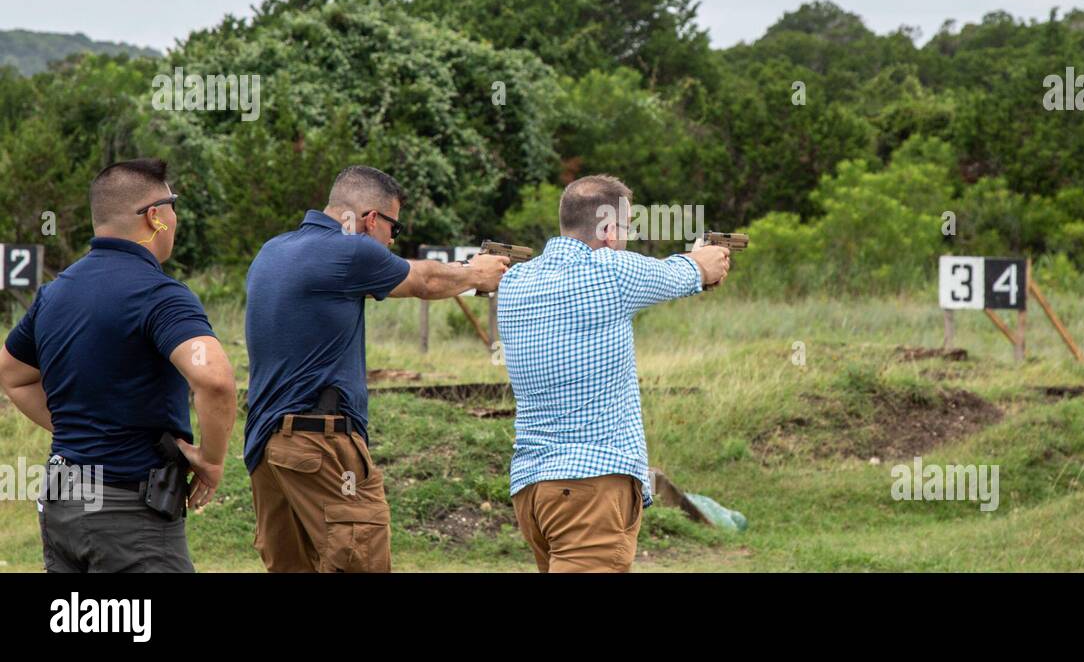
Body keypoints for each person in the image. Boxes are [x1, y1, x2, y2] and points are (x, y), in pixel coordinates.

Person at [243, 165, 509, 572]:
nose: (390, 240)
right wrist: (476, 274)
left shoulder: (272, 250)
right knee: (360, 558)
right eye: (393, 230)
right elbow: (422, 280)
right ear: (371, 219)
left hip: (268, 449)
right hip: (321, 443)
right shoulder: (352, 250)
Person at [0, 158, 237, 573]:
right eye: (173, 206)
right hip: (128, 512)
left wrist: (83, 430)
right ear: (155, 217)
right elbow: (214, 380)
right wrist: (212, 461)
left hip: (61, 501)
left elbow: (12, 374)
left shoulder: (55, 294)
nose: (175, 218)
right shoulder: (161, 295)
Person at [497, 174, 730, 572]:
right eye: (624, 227)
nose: (625, 238)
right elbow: (692, 271)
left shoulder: (516, 281)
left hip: (533, 488)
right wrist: (709, 259)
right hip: (591, 487)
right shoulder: (610, 271)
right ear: (607, 229)